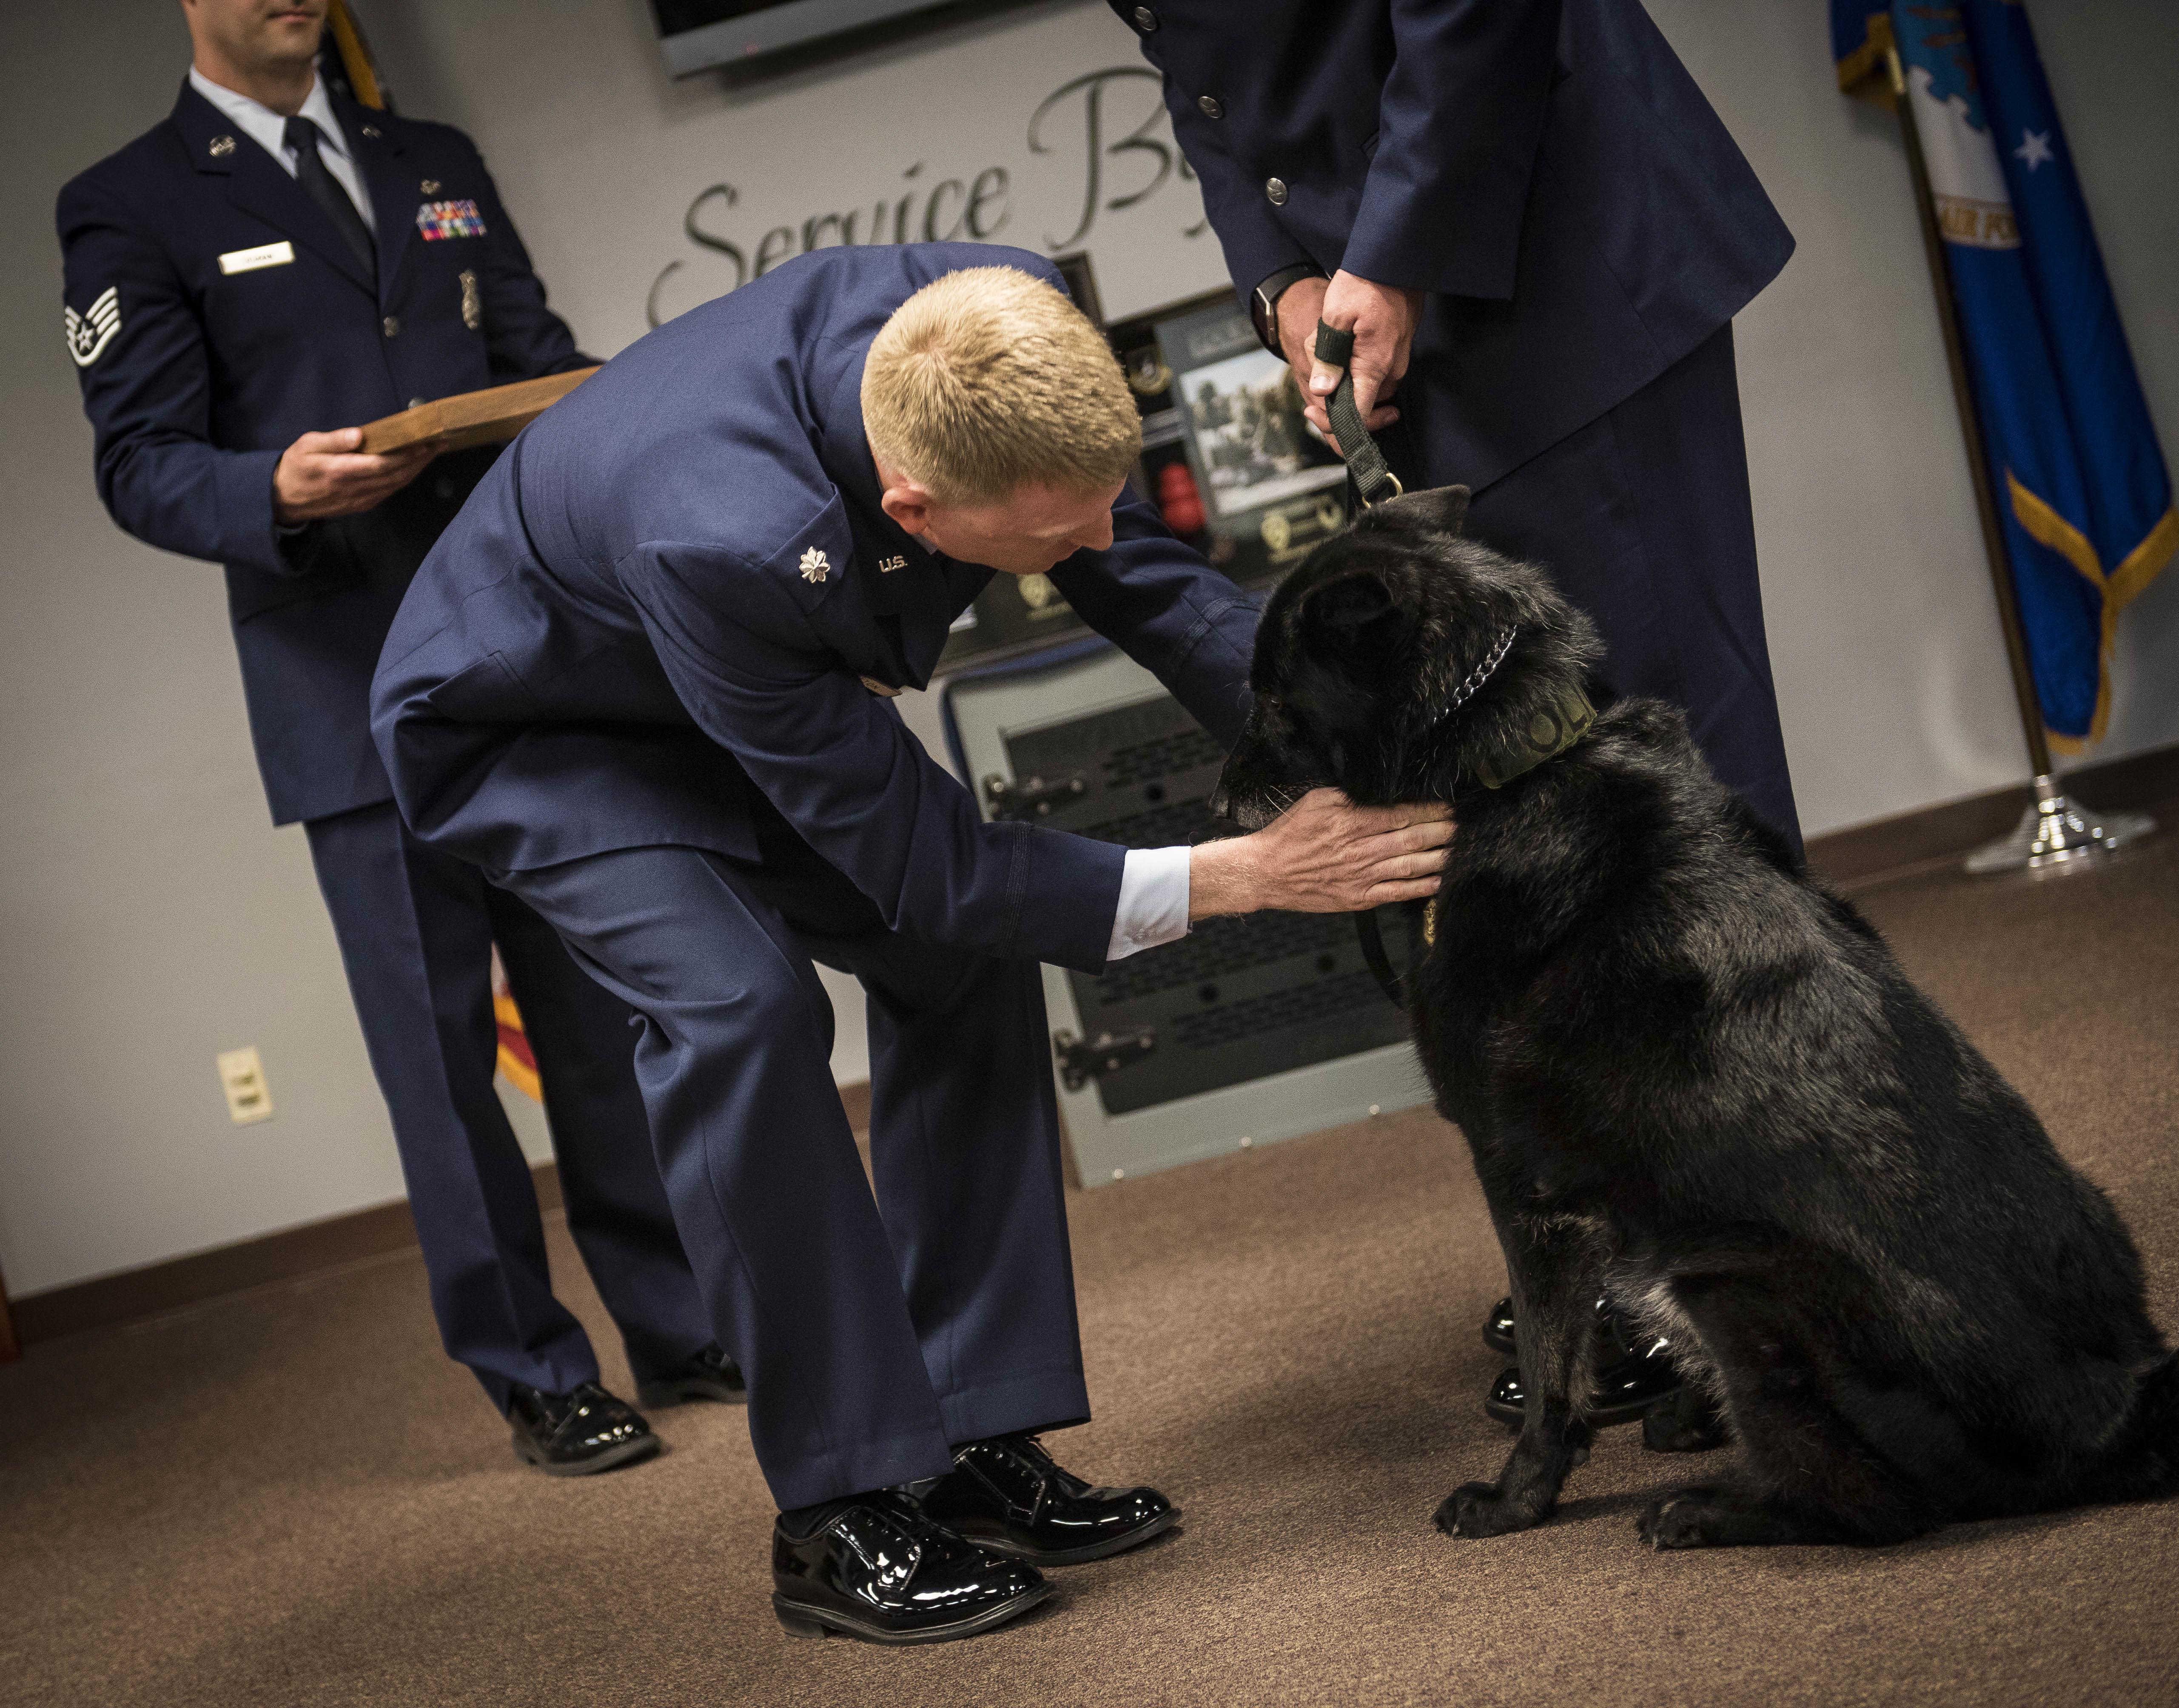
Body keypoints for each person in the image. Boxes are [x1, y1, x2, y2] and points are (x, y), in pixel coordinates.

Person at [370, 249, 1450, 1644]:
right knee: (739, 1007)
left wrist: (1356, 741)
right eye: (1054, 540)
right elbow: (933, 866)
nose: (1094, 546)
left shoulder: (983, 325)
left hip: (726, 675)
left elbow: (1135, 572)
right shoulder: (730, 536)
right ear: (913, 508)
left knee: (957, 963)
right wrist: (1245, 875)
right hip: (539, 725)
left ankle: (964, 1427)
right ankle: (836, 1510)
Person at [57, 0, 738, 1475]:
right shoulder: (129, 202)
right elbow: (142, 465)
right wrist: (275, 491)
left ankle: (679, 1325)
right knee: (438, 1057)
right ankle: (532, 1370)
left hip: (524, 652)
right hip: (343, 680)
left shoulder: (431, 155)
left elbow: (541, 356)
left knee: (601, 1015)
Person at [1107, 0, 1804, 1431]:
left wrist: (1394, 250)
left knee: (1675, 787)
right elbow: (1200, 67)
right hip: (1392, 292)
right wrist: (1280, 281)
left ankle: (1795, 1264)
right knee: (1536, 838)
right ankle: (1641, 1258)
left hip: (1555, 268)